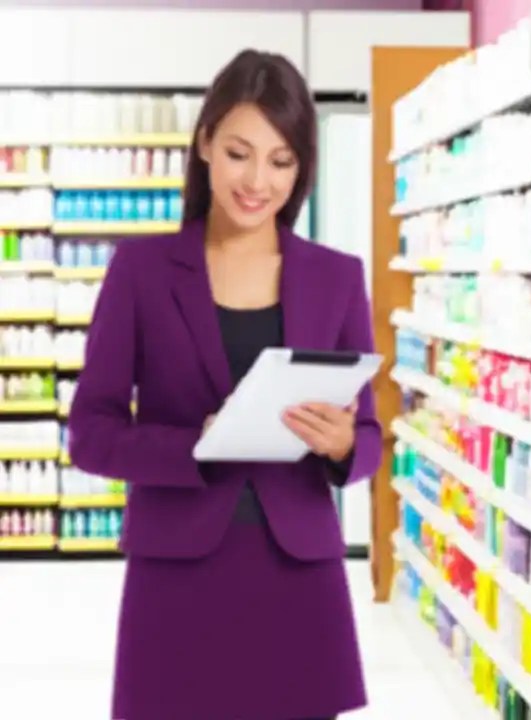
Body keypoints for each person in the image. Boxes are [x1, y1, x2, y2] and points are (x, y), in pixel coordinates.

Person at [67, 49, 380, 720]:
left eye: (281, 160)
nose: (257, 181)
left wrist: (340, 446)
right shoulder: (141, 271)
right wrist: (192, 447)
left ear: (301, 170)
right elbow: (90, 434)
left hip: (298, 571)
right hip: (178, 571)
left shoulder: (337, 277)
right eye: (240, 152)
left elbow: (371, 437)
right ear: (205, 142)